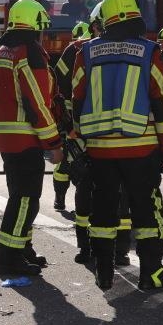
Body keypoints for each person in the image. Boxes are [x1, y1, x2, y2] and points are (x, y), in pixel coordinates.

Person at [72, 0, 163, 291]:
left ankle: (104, 273)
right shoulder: (149, 51)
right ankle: (151, 274)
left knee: (103, 212)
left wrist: (81, 140)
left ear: (106, 19)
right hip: (141, 149)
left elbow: (77, 100)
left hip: (100, 151)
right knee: (147, 212)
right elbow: (160, 101)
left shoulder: (86, 52)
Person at [0, 0, 63, 277]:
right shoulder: (29, 52)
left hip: (8, 138)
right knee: (25, 201)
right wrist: (53, 143)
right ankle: (9, 259)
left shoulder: (2, 52)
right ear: (35, 25)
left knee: (20, 199)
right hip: (27, 139)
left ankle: (22, 250)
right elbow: (37, 102)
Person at [51, 20, 93, 211]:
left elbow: (57, 82)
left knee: (68, 160)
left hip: (70, 117)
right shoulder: (103, 49)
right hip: (87, 118)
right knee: (82, 161)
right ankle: (83, 206)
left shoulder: (72, 49)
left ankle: (61, 199)